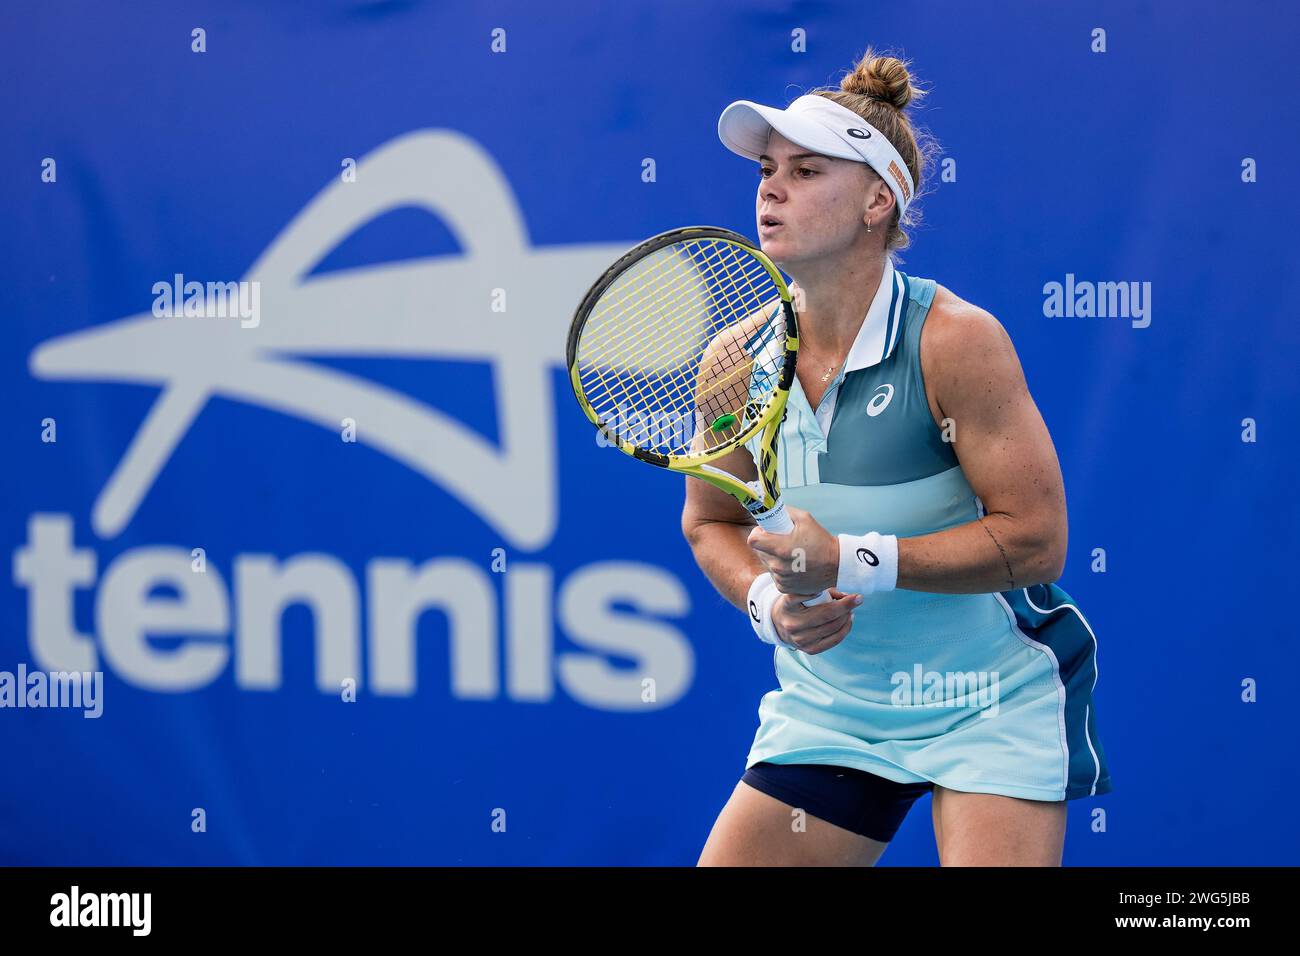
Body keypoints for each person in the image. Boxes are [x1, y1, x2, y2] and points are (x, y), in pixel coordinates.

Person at [686, 47, 1112, 866]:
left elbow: (1036, 540)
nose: (771, 188)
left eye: (807, 171)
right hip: (833, 711)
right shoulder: (735, 361)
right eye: (768, 169)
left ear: (878, 200)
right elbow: (710, 522)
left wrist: (850, 558)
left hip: (987, 702)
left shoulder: (956, 342)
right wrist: (770, 602)